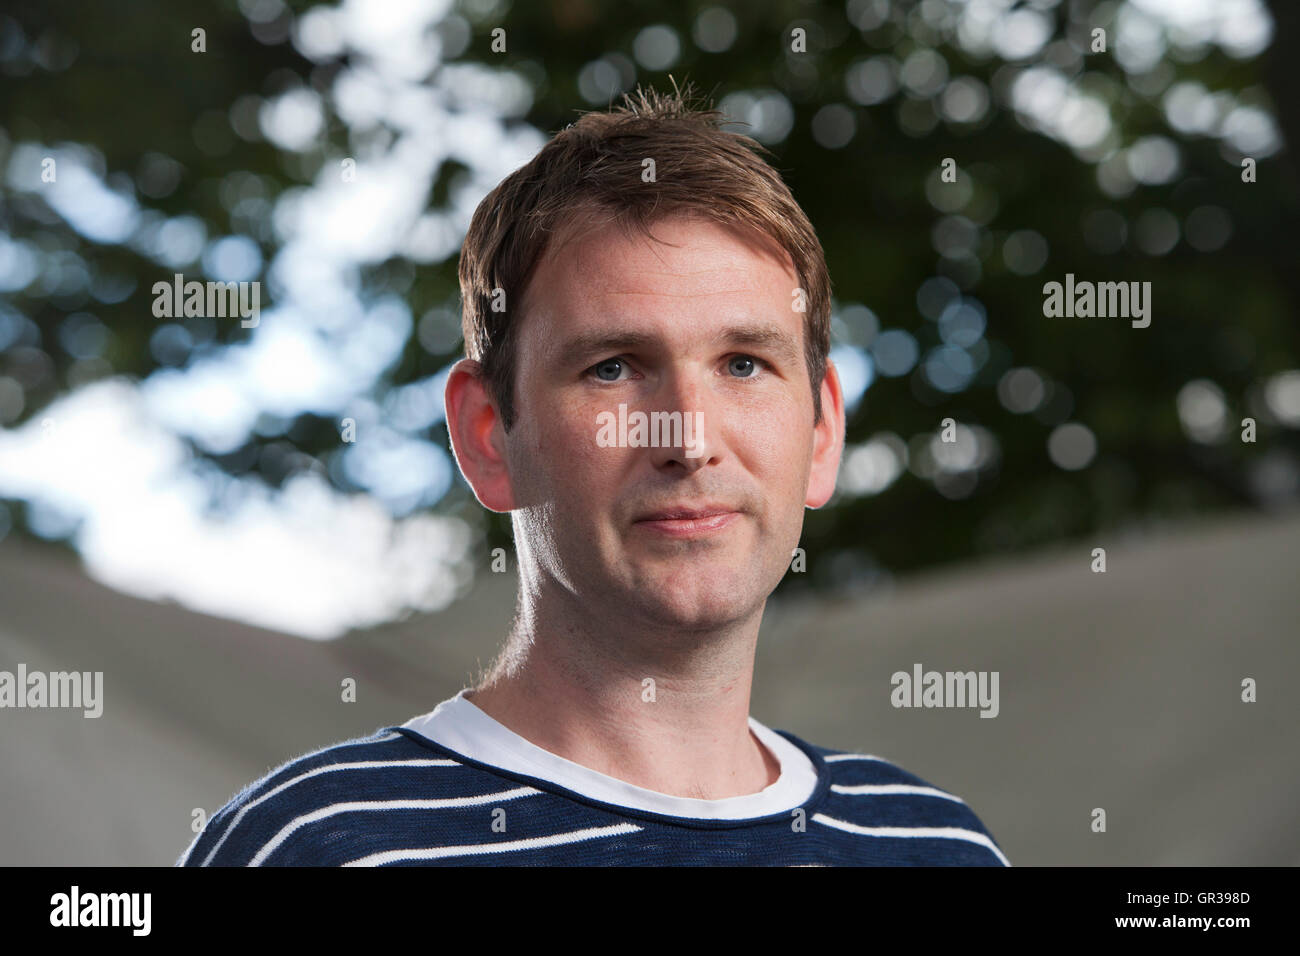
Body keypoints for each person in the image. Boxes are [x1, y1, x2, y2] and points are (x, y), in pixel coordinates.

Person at [178, 82, 1009, 867]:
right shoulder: (314, 846)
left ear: (822, 430)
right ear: (486, 435)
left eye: (745, 364)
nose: (687, 438)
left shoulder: (938, 848)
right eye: (613, 367)